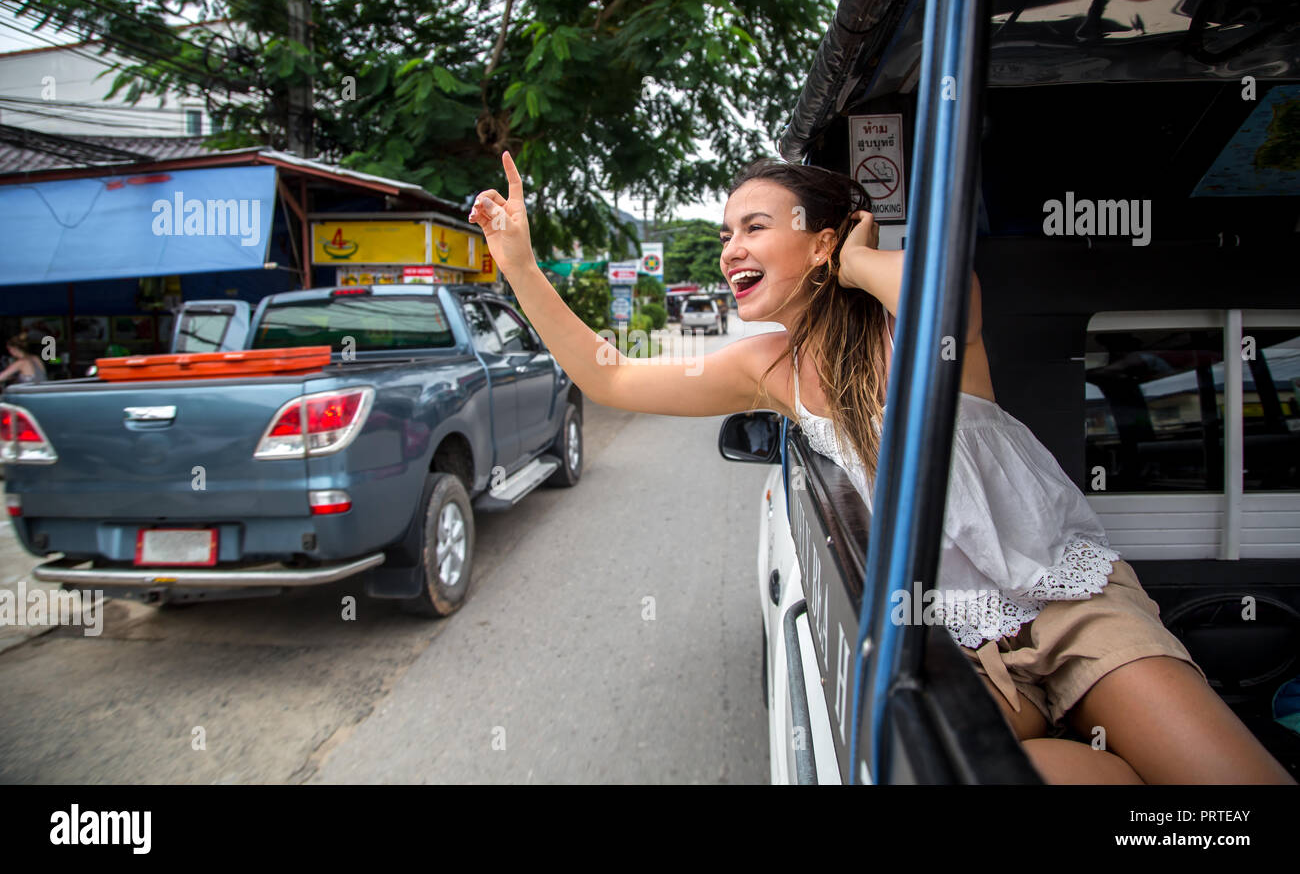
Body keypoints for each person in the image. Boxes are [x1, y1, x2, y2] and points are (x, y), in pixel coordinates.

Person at [469, 151, 1293, 784]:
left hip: (1070, 602)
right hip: (957, 644)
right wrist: (521, 265)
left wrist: (859, 261)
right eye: (725, 233)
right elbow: (610, 375)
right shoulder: (769, 369)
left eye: (755, 226)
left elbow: (951, 298)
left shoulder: (914, 330)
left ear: (822, 240)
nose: (730, 249)